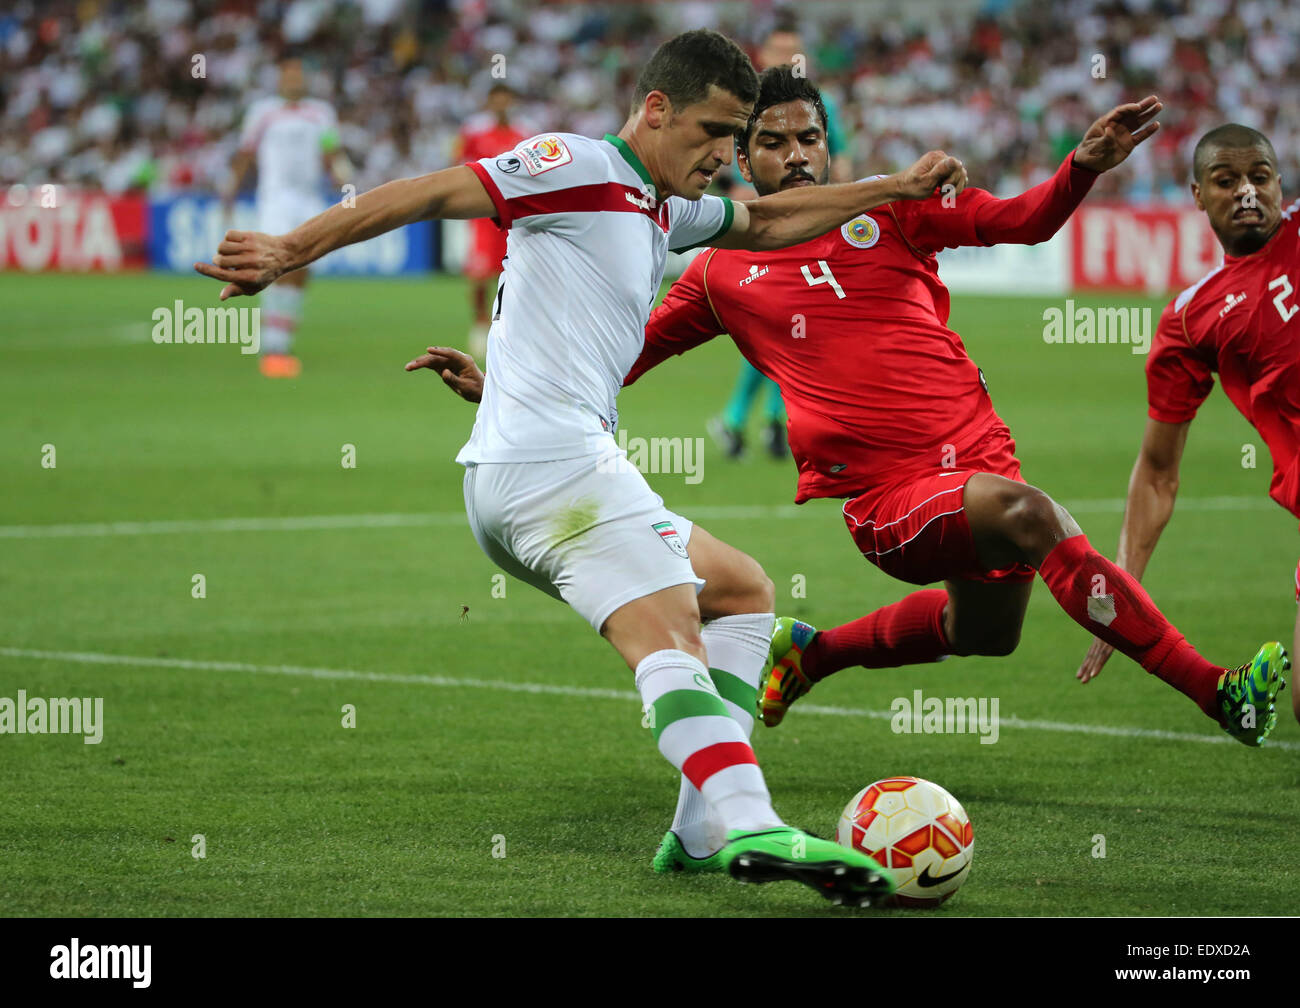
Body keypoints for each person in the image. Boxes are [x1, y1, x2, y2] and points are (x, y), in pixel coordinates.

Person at [418, 70, 1287, 873]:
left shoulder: (896, 214)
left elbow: (1020, 221)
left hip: (977, 461)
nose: (795, 156)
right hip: (888, 502)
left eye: (809, 139)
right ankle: (1221, 695)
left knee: (988, 631)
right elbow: (618, 357)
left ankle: (810, 653)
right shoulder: (721, 269)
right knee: (1032, 516)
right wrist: (499, 386)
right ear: (739, 156)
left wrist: (1081, 167)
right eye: (773, 142)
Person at [196, 30, 968, 906]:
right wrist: (292, 249)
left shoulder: (662, 207)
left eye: (737, 134)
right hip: (555, 471)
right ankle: (750, 820)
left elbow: (775, 219)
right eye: (714, 131)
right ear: (655, 110)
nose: (726, 155)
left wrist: (894, 189)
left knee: (741, 590)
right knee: (671, 632)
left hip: (534, 471)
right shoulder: (572, 164)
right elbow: (430, 192)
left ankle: (698, 831)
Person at [1076, 123, 1298, 728]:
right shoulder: (1192, 319)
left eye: (1260, 177)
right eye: (1227, 181)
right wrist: (1124, 592)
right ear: (1198, 195)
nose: (1248, 192)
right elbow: (1156, 472)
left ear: (1280, 183)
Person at [708, 21, 851, 461]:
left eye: (795, 52)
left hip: (805, 225)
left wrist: (838, 205)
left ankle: (753, 420)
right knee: (777, 321)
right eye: (780, 51)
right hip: (756, 226)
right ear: (763, 55)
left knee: (785, 320)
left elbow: (840, 160)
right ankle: (764, 418)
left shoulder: (817, 106)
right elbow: (720, 162)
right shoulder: (743, 106)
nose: (788, 59)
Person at [221, 57, 352, 378]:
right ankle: (274, 346)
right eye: (288, 75)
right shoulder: (262, 113)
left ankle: (283, 339)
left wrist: (347, 184)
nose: (293, 81)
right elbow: (246, 154)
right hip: (275, 199)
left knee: (302, 267)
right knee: (275, 263)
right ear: (280, 80)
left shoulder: (321, 113)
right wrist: (230, 190)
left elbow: (332, 153)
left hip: (309, 199)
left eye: (298, 75)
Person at [455, 84, 526, 360]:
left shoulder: (524, 133)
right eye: (496, 100)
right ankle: (480, 323)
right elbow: (458, 164)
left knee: (513, 272)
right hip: (484, 216)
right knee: (480, 275)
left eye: (506, 100)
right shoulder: (474, 133)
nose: (501, 105)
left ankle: (508, 327)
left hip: (514, 217)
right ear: (490, 102)